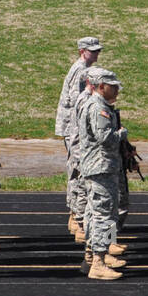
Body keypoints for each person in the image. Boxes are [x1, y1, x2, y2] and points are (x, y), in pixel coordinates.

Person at [78, 67, 127, 281]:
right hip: (100, 167)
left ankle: (95, 255)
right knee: (103, 214)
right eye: (112, 86)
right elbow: (104, 137)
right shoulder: (98, 107)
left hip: (101, 167)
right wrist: (121, 134)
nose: (116, 90)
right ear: (101, 87)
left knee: (99, 212)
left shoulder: (99, 105)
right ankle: (98, 260)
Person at [56, 37, 102, 232]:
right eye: (92, 50)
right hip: (74, 129)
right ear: (82, 51)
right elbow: (79, 101)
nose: (97, 53)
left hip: (75, 128)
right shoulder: (80, 70)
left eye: (98, 50)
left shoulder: (84, 68)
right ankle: (77, 217)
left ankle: (77, 216)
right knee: (77, 172)